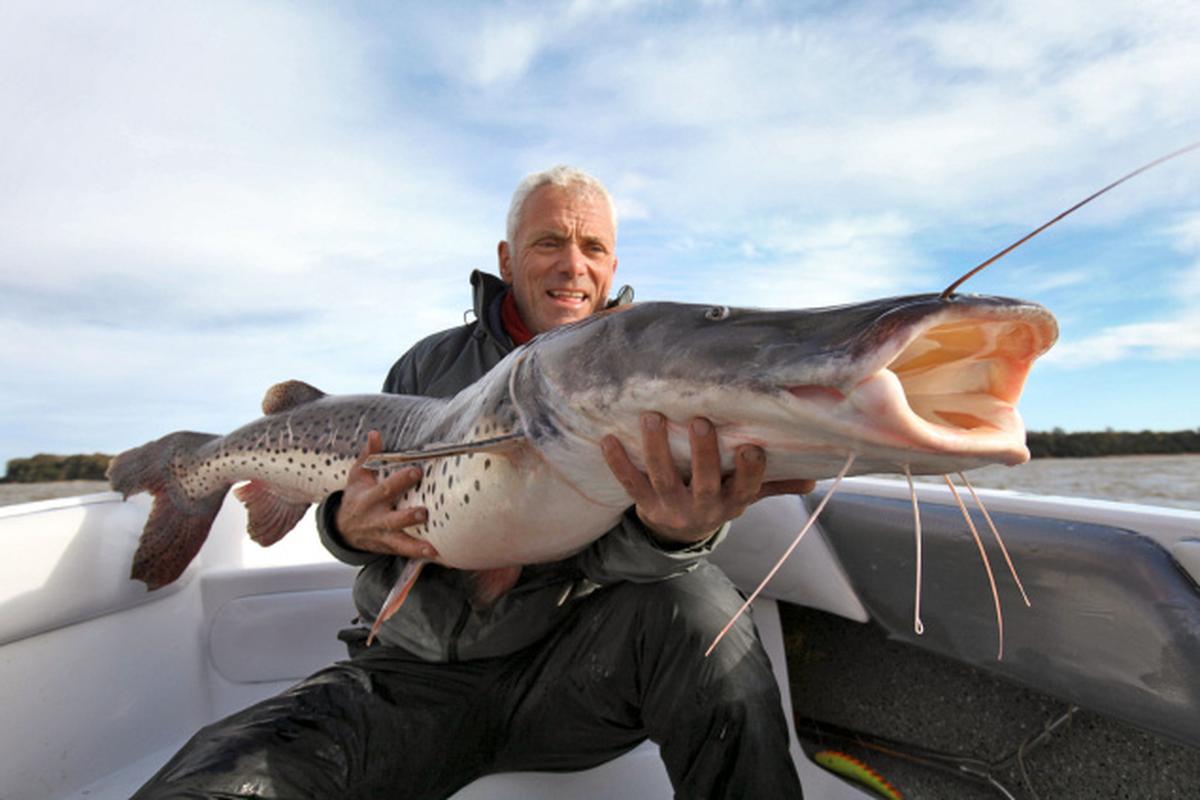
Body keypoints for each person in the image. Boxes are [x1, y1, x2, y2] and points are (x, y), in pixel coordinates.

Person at [134, 166, 814, 799]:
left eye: (593, 248)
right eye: (549, 242)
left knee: (704, 608)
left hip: (578, 674)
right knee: (222, 774)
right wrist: (345, 526)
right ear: (507, 260)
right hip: (412, 675)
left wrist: (672, 535)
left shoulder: (653, 377)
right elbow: (356, 496)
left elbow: (612, 556)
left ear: (612, 266)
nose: (573, 265)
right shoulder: (427, 365)